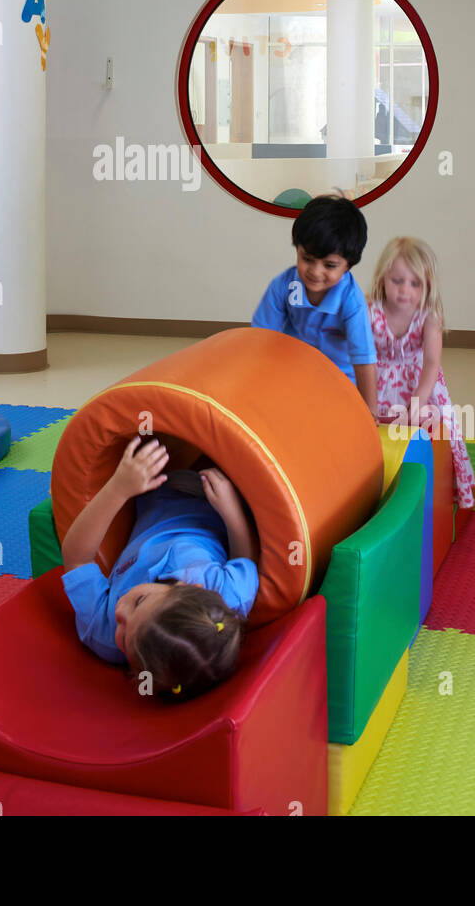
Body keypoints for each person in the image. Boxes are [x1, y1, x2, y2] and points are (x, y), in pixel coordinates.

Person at [61, 436, 259, 700]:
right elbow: (244, 561)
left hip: (159, 491)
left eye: (123, 638)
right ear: (192, 588)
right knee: (223, 444)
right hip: (222, 498)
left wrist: (117, 489)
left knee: (157, 447)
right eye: (138, 602)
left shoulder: (104, 635)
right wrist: (232, 509)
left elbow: (77, 560)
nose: (120, 612)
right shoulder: (223, 598)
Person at [368, 236, 475, 509]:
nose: (405, 291)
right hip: (377, 380)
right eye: (397, 281)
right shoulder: (370, 310)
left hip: (417, 384)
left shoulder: (429, 316)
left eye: (415, 283)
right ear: (383, 278)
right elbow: (361, 356)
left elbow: (430, 363)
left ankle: (442, 479)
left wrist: (417, 401)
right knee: (363, 421)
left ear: (427, 285)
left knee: (435, 421)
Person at [251, 194, 378, 416]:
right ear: (297, 249)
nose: (315, 271)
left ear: (348, 265)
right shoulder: (283, 286)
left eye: (329, 265)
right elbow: (260, 340)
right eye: (307, 258)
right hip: (293, 373)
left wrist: (370, 412)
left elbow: (364, 360)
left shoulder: (352, 302)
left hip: (339, 380)